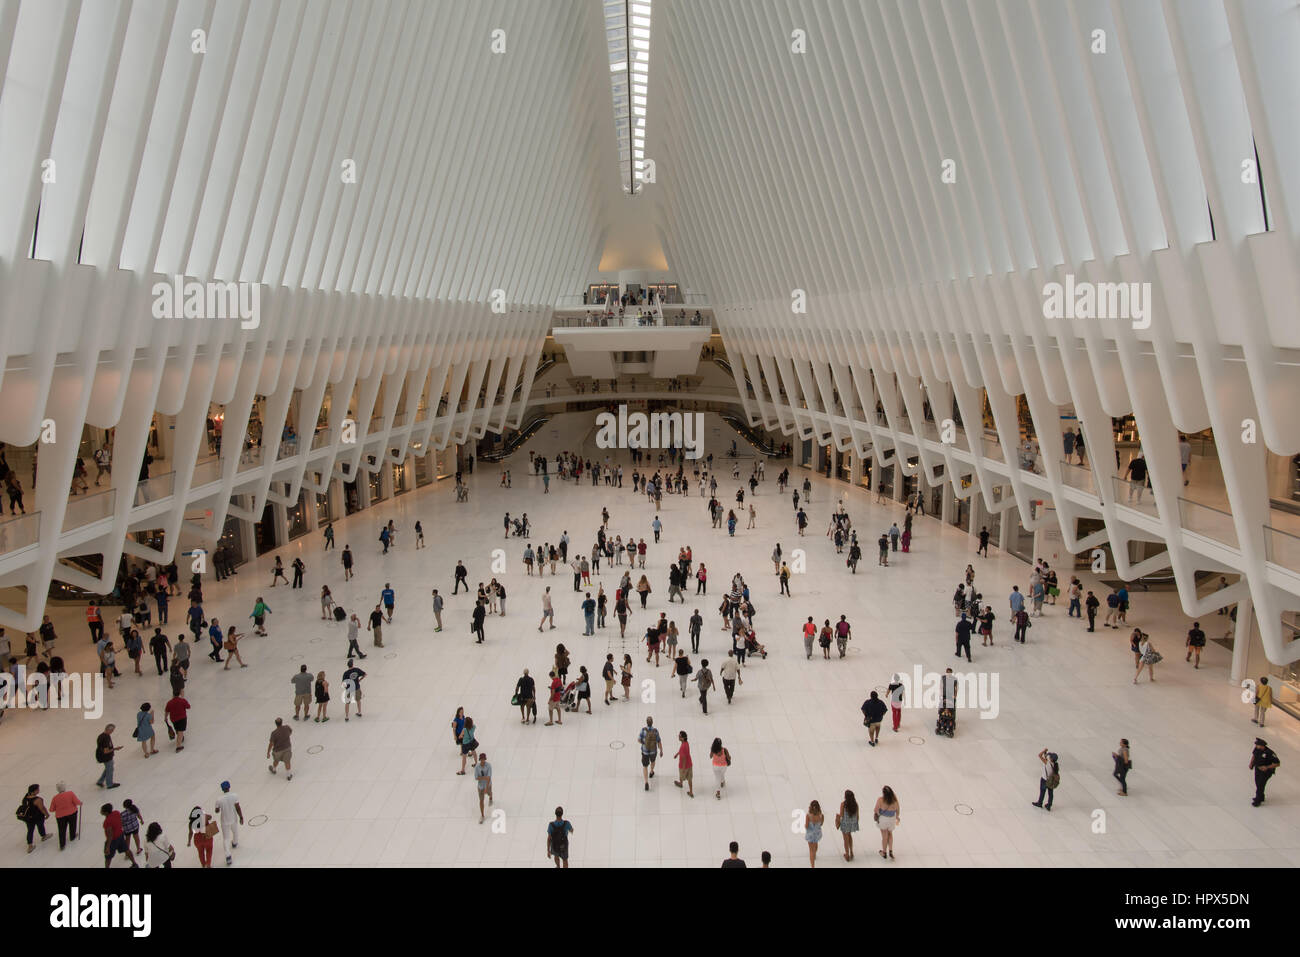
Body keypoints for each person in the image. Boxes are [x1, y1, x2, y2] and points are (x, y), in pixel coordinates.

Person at [101, 803, 137, 868]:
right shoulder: (116, 812)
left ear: (106, 812)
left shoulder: (107, 821)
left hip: (113, 840)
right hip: (120, 836)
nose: (101, 811)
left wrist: (107, 847)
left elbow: (110, 835)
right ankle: (134, 864)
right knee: (127, 849)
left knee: (108, 857)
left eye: (102, 810)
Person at [216, 781, 242, 865]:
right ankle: (234, 843)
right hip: (233, 818)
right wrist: (241, 816)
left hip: (224, 821)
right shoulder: (234, 796)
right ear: (229, 787)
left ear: (222, 789)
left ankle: (228, 857)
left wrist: (219, 808)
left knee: (226, 838)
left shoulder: (219, 799)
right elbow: (238, 807)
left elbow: (216, 811)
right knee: (235, 832)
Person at [18, 784, 50, 853]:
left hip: (28, 818)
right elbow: (42, 808)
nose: (39, 790)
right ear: (34, 791)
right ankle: (43, 836)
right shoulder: (37, 799)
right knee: (40, 826)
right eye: (37, 789)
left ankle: (30, 845)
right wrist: (46, 814)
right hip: (37, 817)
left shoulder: (25, 798)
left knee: (30, 830)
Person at [1250, 738, 1280, 807]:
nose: (1256, 746)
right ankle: (1261, 796)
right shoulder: (1257, 749)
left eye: (1257, 745)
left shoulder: (1269, 753)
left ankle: (1258, 800)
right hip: (1258, 769)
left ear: (1262, 745)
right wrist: (1251, 763)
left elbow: (1277, 763)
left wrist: (1266, 767)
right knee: (1257, 783)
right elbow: (1254, 755)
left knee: (1260, 784)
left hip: (1266, 772)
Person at [874, 786, 900, 860]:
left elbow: (876, 810)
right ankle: (891, 850)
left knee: (884, 836)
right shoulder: (894, 799)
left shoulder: (880, 800)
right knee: (890, 833)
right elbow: (898, 809)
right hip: (892, 819)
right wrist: (897, 817)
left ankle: (884, 852)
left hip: (883, 819)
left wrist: (877, 814)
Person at [638, 716, 663, 791]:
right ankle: (651, 771)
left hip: (645, 752)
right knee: (653, 761)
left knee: (645, 766)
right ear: (652, 723)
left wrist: (644, 743)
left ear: (646, 722)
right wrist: (661, 750)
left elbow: (638, 740)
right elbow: (659, 741)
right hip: (653, 751)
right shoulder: (655, 731)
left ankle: (646, 782)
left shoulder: (643, 730)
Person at [95, 724, 121, 789]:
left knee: (108, 768)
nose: (113, 731)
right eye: (112, 730)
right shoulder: (106, 738)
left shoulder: (101, 736)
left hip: (101, 756)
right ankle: (109, 784)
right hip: (106, 757)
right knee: (110, 770)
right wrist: (115, 749)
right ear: (110, 730)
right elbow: (106, 751)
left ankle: (100, 781)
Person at [836, 790, 859, 862]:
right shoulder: (855, 804)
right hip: (852, 823)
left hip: (845, 824)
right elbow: (857, 816)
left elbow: (841, 815)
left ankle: (847, 855)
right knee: (850, 836)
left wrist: (837, 818)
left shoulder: (843, 804)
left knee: (845, 840)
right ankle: (851, 852)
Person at [804, 800, 824, 868]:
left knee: (811, 850)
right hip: (817, 833)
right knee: (816, 844)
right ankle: (815, 854)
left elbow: (806, 826)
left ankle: (812, 866)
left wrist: (805, 825)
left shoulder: (808, 816)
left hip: (810, 834)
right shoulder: (821, 815)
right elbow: (821, 824)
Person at [474, 753, 493, 823]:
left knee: (489, 793)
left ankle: (491, 797)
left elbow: (488, 778)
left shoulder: (488, 766)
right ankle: (482, 815)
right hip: (480, 786)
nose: (482, 761)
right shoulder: (477, 767)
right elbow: (476, 777)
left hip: (488, 785)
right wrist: (484, 777)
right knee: (481, 800)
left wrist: (486, 788)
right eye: (481, 759)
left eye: (483, 759)